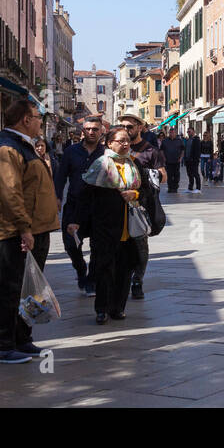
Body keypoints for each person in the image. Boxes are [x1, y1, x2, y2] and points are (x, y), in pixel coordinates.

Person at [0, 99, 59, 364]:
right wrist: (24, 228)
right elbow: (9, 192)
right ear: (25, 119)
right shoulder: (5, 148)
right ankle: (1, 347)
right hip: (14, 230)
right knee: (8, 287)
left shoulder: (22, 146)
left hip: (34, 228)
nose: (40, 121)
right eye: (38, 117)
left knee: (26, 289)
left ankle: (21, 339)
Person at [77, 126, 144, 325]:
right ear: (109, 143)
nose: (126, 144)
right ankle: (102, 309)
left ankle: (118, 308)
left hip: (130, 227)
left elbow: (147, 190)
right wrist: (78, 222)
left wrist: (136, 194)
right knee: (105, 269)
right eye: (121, 140)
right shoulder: (101, 164)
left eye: (127, 141)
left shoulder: (134, 163)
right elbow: (85, 195)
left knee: (125, 270)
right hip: (105, 226)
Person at [54, 116, 106, 293]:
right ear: (82, 131)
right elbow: (61, 176)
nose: (91, 132)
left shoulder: (106, 153)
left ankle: (91, 279)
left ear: (101, 132)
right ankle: (80, 267)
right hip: (75, 205)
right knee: (70, 244)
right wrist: (57, 197)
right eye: (88, 129)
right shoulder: (71, 151)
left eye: (95, 129)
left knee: (98, 247)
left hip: (99, 206)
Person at [120, 114, 163, 302]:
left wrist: (144, 174)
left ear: (139, 127)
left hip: (140, 205)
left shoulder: (150, 151)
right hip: (117, 206)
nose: (126, 129)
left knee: (140, 246)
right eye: (122, 126)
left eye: (129, 126)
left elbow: (163, 175)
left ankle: (137, 281)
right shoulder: (116, 148)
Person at [160, 130, 186, 194]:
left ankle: (175, 187)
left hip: (176, 161)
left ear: (175, 133)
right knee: (169, 175)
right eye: (170, 133)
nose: (172, 134)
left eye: (173, 133)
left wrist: (181, 158)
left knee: (176, 175)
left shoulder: (179, 141)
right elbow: (161, 150)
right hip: (168, 161)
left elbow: (183, 150)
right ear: (169, 133)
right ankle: (170, 187)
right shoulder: (165, 141)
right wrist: (164, 158)